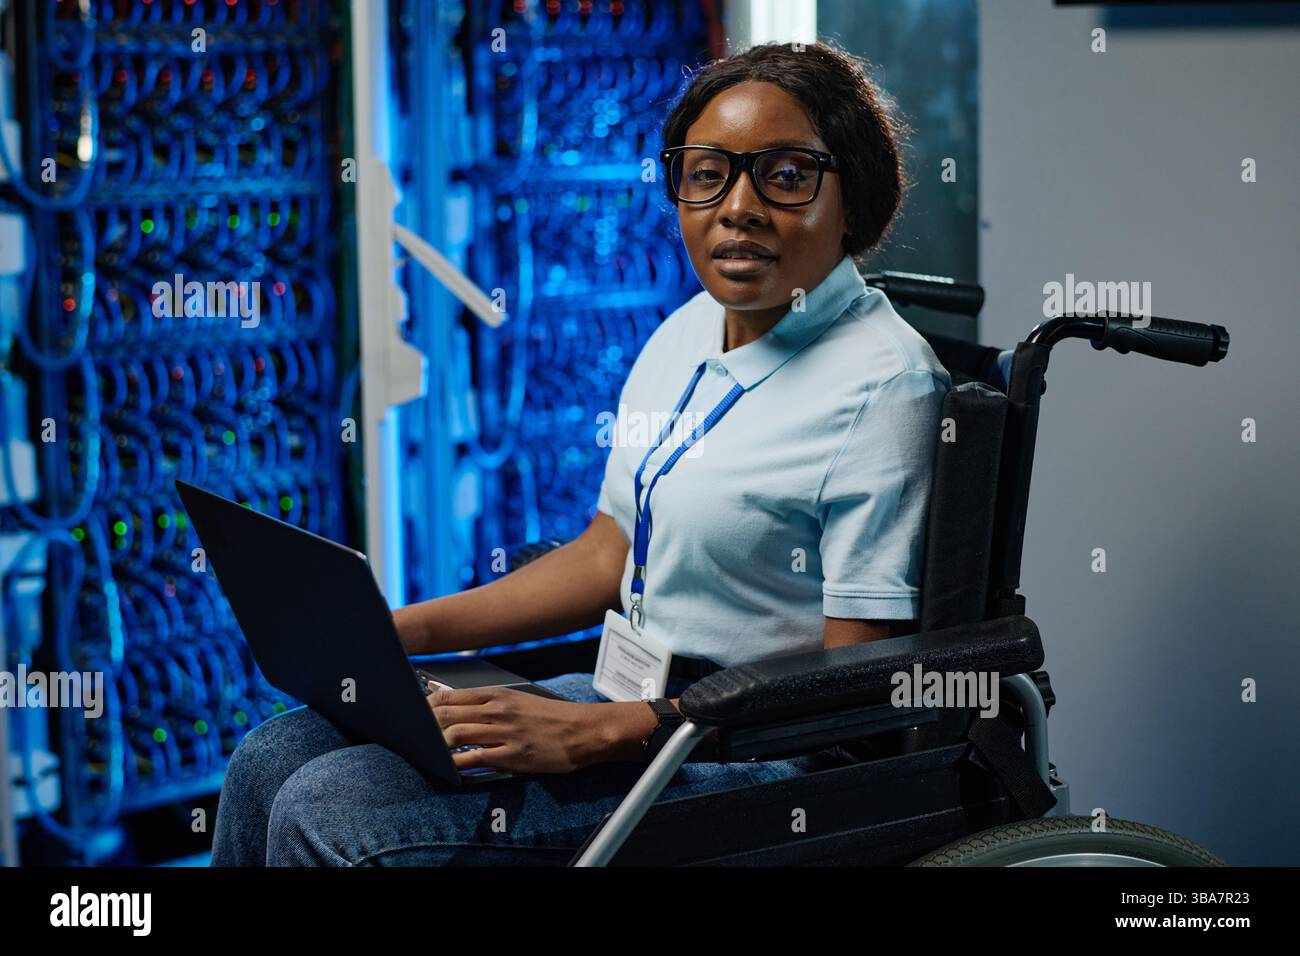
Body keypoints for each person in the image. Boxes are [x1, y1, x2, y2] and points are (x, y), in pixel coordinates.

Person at [210, 40, 951, 867]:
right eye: (708, 174)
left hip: (754, 752)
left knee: (327, 811)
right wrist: (395, 634)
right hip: (636, 692)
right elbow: (608, 554)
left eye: (785, 175)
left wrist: (595, 733)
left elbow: (853, 684)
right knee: (271, 758)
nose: (738, 207)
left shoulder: (884, 386)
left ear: (854, 196)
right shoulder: (688, 330)